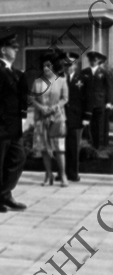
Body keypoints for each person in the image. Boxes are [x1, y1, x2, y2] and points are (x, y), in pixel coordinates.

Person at [0, 34, 28, 212]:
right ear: (3, 50)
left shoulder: (13, 71)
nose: (17, 50)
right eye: (13, 47)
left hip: (13, 125)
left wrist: (23, 117)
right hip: (2, 126)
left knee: (18, 158)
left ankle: (5, 193)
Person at [31, 52, 69, 187]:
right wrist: (41, 107)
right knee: (44, 149)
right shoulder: (37, 82)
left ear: (54, 66)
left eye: (48, 66)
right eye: (44, 66)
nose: (46, 69)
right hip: (41, 118)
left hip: (57, 119)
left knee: (59, 149)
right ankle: (48, 175)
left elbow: (65, 98)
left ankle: (63, 175)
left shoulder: (62, 81)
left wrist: (54, 107)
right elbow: (32, 98)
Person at [81, 51, 112, 150]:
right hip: (88, 104)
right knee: (89, 124)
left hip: (100, 103)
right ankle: (91, 145)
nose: (92, 62)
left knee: (100, 124)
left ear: (98, 61)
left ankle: (100, 145)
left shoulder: (104, 72)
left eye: (94, 60)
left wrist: (109, 102)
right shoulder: (84, 72)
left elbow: (109, 88)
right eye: (91, 60)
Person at [63, 52, 84, 182]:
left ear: (75, 65)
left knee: (73, 146)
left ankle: (73, 173)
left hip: (76, 118)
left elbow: (88, 98)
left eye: (70, 64)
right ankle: (62, 172)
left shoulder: (81, 79)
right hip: (61, 117)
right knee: (61, 147)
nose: (68, 67)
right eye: (66, 64)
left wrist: (86, 116)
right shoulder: (59, 79)